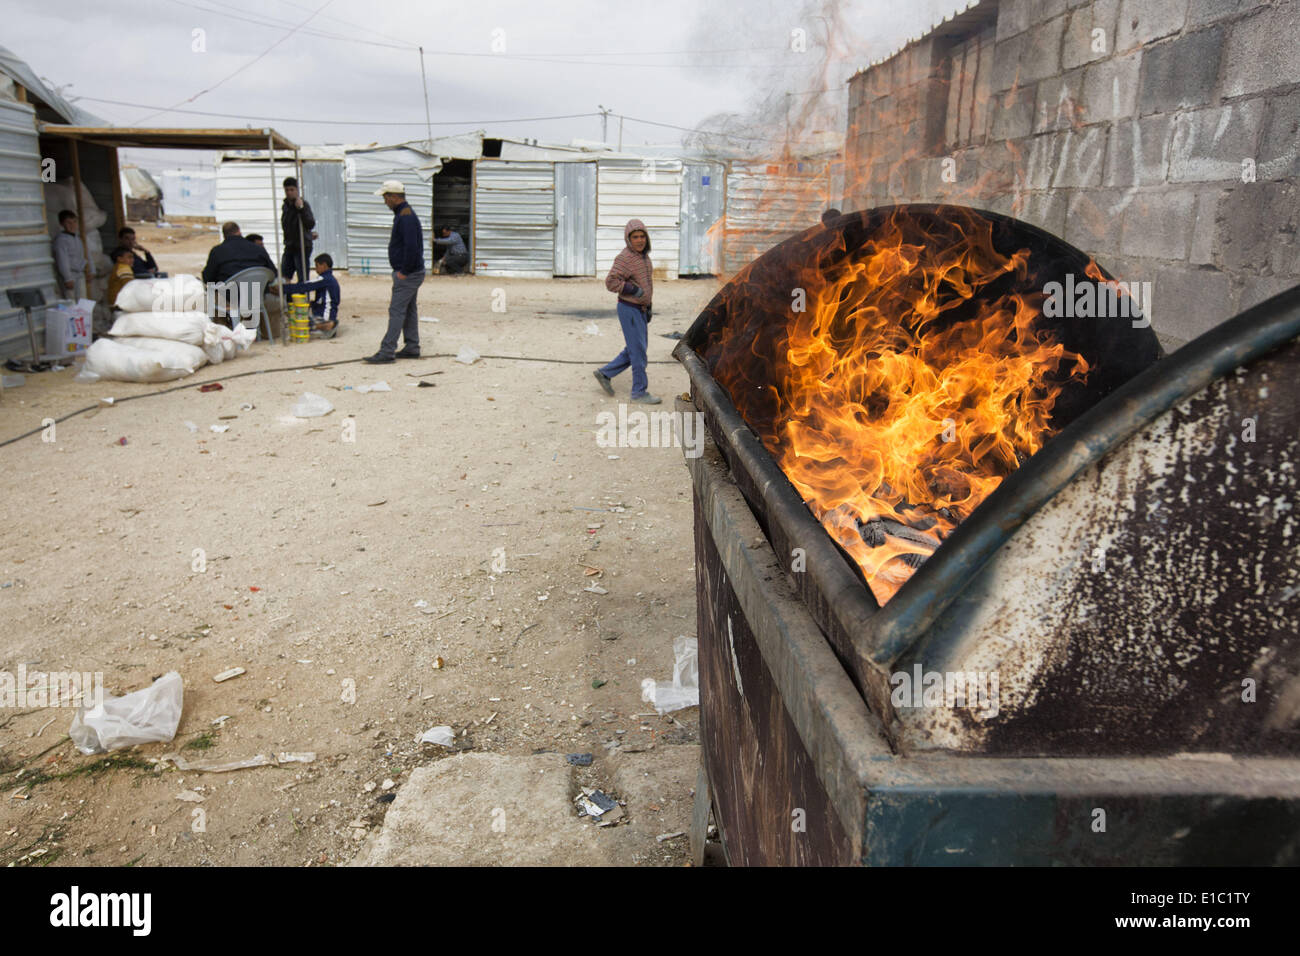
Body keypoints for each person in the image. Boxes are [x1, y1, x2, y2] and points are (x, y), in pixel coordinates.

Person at [594, 219, 659, 404]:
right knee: (638, 352)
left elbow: (647, 285)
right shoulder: (625, 257)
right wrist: (632, 290)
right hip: (629, 309)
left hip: (640, 310)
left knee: (636, 348)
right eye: (635, 237)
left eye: (642, 236)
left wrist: (648, 306)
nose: (639, 240)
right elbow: (610, 282)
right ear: (628, 239)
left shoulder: (644, 258)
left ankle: (605, 373)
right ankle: (639, 392)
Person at [364, 180, 424, 364]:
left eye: (385, 197)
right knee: (409, 309)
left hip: (408, 273)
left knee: (396, 310)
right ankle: (412, 346)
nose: (384, 201)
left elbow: (411, 247)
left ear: (394, 197)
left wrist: (404, 272)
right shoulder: (404, 213)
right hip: (412, 271)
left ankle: (387, 350)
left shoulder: (405, 216)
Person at [282, 253, 341, 339]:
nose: (316, 269)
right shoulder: (331, 279)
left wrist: (283, 288)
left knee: (299, 323)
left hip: (325, 315)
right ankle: (325, 326)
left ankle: (325, 325)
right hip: (330, 313)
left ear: (324, 265)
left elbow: (304, 286)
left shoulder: (324, 279)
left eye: (317, 266)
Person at [280, 177, 317, 283]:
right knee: (285, 274)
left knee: (302, 275)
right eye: (287, 190)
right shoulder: (286, 206)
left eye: (292, 190)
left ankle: (303, 296)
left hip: (302, 245)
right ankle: (287, 297)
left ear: (297, 190)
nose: (289, 193)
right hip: (290, 245)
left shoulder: (303, 205)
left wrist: (300, 209)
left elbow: (310, 223)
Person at [53, 210, 87, 300]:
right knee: (71, 303)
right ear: (62, 224)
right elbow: (62, 260)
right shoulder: (61, 240)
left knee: (82, 303)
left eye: (74, 222)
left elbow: (84, 255)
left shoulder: (77, 238)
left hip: (80, 274)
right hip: (70, 275)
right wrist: (67, 278)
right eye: (68, 223)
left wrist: (90, 269)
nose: (72, 225)